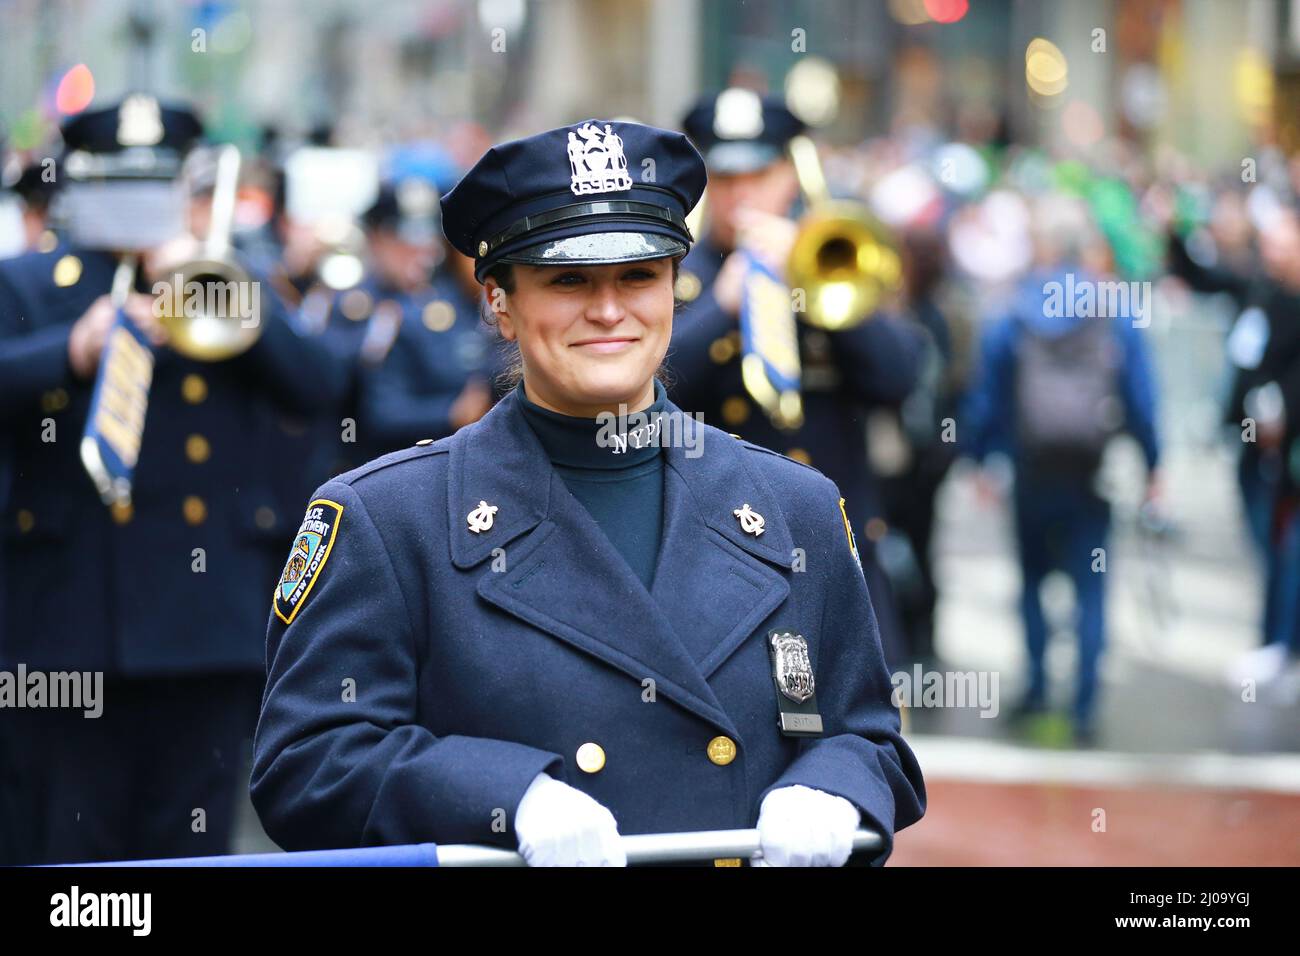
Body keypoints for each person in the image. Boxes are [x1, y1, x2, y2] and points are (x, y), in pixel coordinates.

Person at [251, 118, 926, 867]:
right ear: (501, 301)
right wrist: (503, 796)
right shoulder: (387, 517)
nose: (609, 311)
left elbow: (868, 738)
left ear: (675, 288)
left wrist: (831, 786)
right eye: (568, 278)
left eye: (638, 276)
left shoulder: (794, 506)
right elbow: (306, 763)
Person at [0, 95, 346, 864]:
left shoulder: (218, 277)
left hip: (202, 622)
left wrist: (205, 277)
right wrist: (68, 353)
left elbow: (318, 384)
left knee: (188, 839)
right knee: (65, 843)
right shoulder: (30, 284)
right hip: (67, 624)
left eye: (158, 184)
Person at [667, 89, 925, 668]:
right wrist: (721, 309)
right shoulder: (677, 269)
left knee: (858, 735)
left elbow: (899, 376)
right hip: (717, 546)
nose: (743, 194)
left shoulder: (832, 260)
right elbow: (651, 387)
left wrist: (814, 293)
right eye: (727, 178)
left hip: (837, 540)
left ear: (790, 174)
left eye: (760, 174)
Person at [961, 195, 1161, 745]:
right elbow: (1141, 396)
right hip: (1090, 469)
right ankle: (1084, 707)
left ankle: (1036, 690)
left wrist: (980, 457)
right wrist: (1154, 462)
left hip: (1031, 467)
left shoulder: (1015, 309)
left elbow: (988, 393)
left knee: (1031, 582)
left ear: (1044, 246)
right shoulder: (1113, 309)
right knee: (1091, 588)